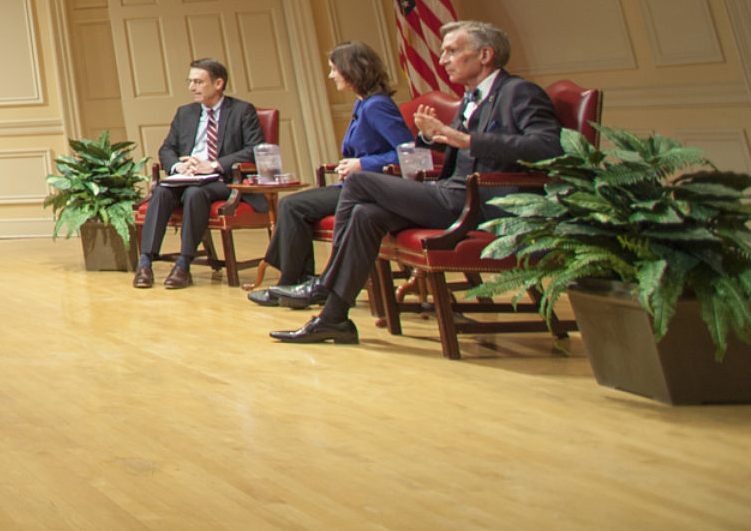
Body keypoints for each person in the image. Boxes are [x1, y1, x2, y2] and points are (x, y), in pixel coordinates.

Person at [274, 21, 561, 345]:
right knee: (367, 215)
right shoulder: (471, 97)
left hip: (486, 200)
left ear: (484, 55)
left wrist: (466, 139)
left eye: (452, 51)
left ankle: (326, 282)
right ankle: (334, 319)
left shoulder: (518, 92)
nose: (443, 59)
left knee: (359, 183)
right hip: (452, 192)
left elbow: (549, 147)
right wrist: (431, 136)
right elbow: (447, 147)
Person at [249, 42, 420, 308]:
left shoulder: (377, 106)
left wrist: (364, 164)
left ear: (352, 70)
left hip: (376, 190)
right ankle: (295, 282)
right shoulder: (363, 104)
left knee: (293, 205)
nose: (331, 75)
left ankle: (290, 283)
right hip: (357, 186)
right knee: (293, 205)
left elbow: (409, 153)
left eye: (333, 69)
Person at [135, 58, 265, 290]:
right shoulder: (185, 113)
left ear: (218, 84)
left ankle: (184, 265)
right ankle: (145, 262)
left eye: (198, 82)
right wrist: (177, 166)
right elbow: (167, 149)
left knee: (196, 194)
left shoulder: (242, 111)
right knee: (162, 192)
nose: (191, 87)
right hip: (187, 176)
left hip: (224, 180)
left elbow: (254, 150)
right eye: (190, 81)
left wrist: (214, 165)